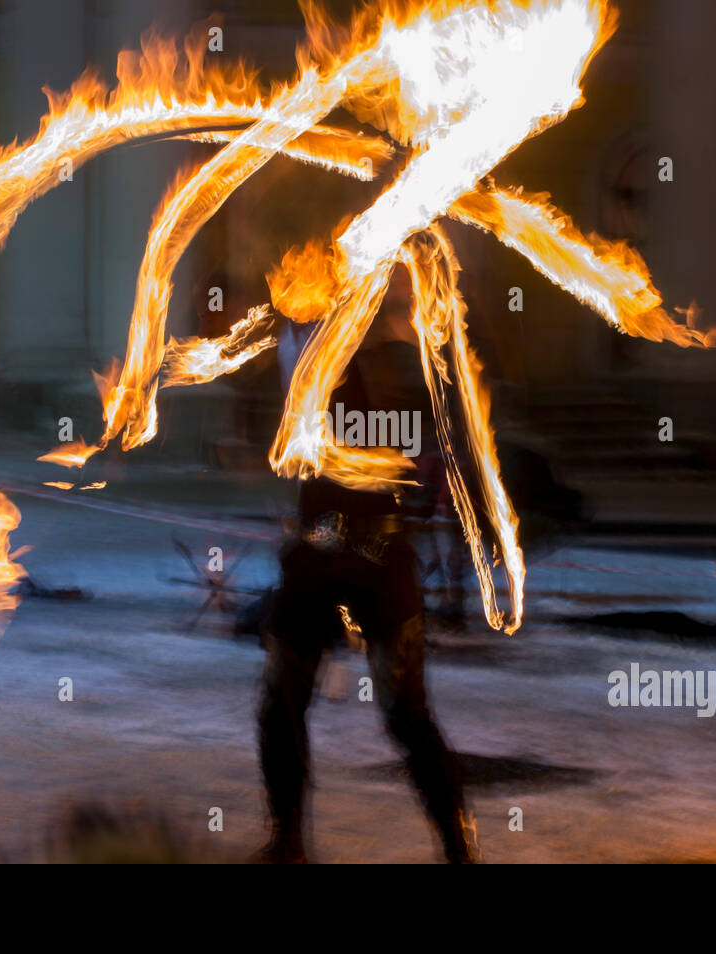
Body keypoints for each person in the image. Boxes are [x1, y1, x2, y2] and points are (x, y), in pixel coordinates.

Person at [255, 268, 480, 863]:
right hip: (315, 552)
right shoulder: (290, 341)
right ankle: (287, 844)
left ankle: (458, 849)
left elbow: (417, 443)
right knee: (280, 704)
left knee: (406, 716)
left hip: (377, 556)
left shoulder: (389, 353)